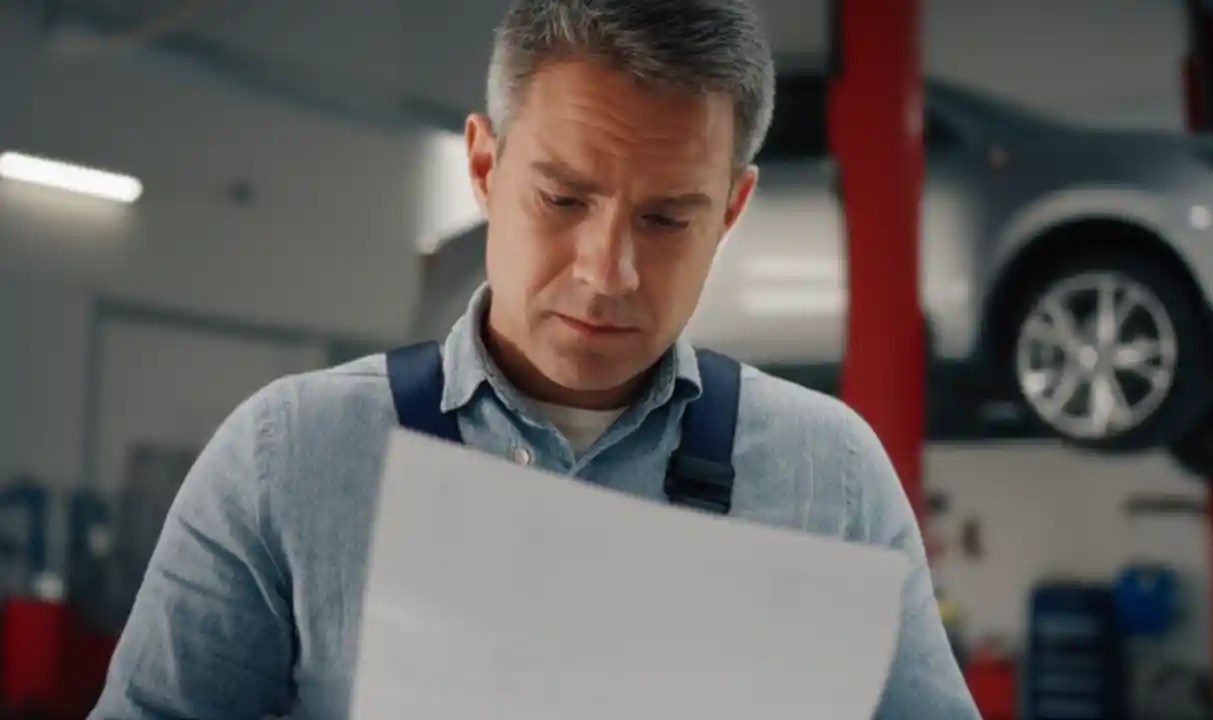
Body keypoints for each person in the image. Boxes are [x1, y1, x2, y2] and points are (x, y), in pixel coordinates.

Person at [90, 0, 979, 717]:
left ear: (733, 208)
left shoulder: (835, 479)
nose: (608, 272)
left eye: (667, 219)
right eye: (562, 198)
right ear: (484, 164)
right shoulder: (289, 458)